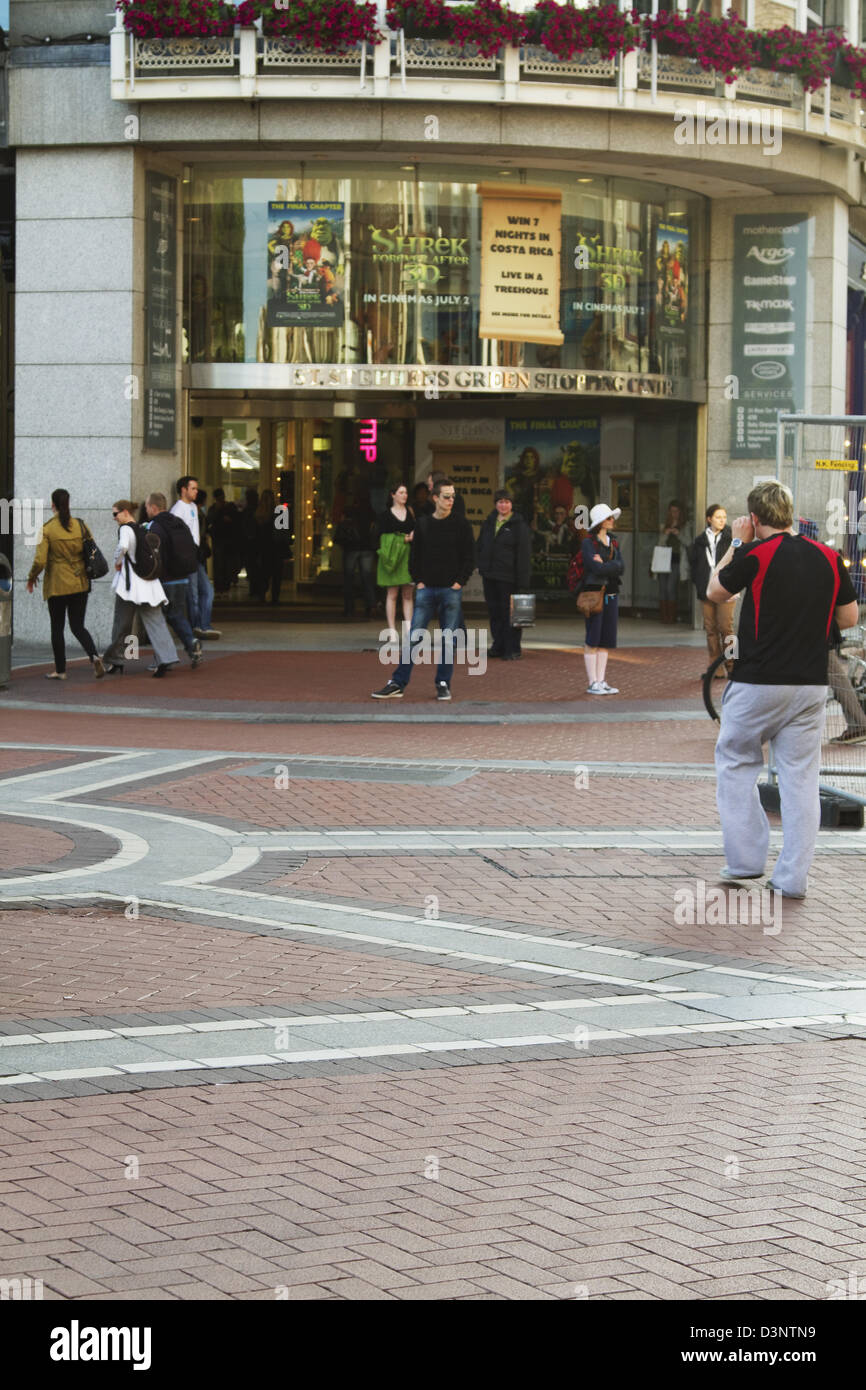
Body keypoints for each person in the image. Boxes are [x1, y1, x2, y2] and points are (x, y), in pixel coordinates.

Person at [707, 480, 860, 899]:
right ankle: (793, 878)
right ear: (789, 514)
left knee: (737, 763)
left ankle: (745, 860)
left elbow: (714, 590)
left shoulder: (755, 553)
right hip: (810, 684)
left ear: (754, 519)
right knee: (800, 779)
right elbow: (848, 618)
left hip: (758, 682)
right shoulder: (828, 557)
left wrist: (735, 544)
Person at [371, 476, 475, 701]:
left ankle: (443, 683)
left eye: (453, 497)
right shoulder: (424, 524)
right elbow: (414, 556)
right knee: (413, 638)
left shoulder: (461, 524)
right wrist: (419, 580)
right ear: (435, 498)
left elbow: (469, 556)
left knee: (449, 639)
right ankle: (398, 682)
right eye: (447, 496)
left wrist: (459, 582)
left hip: (450, 589)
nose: (451, 500)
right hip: (427, 589)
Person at [26, 488, 104, 680]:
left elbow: (40, 561)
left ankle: (60, 671)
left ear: (52, 505)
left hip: (57, 584)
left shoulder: (47, 529)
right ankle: (94, 655)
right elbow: (91, 549)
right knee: (78, 626)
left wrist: (32, 577)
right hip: (80, 582)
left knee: (57, 628)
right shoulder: (80, 525)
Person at [101, 501, 179, 678]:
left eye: (115, 514)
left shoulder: (125, 529)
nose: (114, 518)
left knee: (122, 624)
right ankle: (166, 658)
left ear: (125, 512)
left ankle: (115, 661)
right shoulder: (142, 528)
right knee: (156, 622)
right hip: (149, 584)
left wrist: (117, 562)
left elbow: (123, 547)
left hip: (129, 586)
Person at [144, 493, 203, 668]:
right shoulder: (178, 523)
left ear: (154, 508)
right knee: (175, 614)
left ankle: (163, 659)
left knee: (158, 620)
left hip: (166, 579)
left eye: (147, 507)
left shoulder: (155, 526)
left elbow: (153, 554)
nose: (146, 510)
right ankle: (191, 643)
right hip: (182, 577)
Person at [477, 489, 532, 661]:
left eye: (507, 501)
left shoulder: (519, 526)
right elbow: (480, 545)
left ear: (512, 504)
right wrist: (481, 565)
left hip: (510, 577)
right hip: (490, 575)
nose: (503, 505)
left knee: (511, 614)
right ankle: (498, 645)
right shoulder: (489, 522)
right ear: (495, 504)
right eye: (500, 501)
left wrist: (523, 581)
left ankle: (513, 648)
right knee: (495, 613)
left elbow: (524, 554)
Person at [580, 503, 624, 696]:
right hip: (594, 594)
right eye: (609, 518)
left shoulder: (613, 541)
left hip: (611, 593)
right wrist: (611, 565)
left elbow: (621, 566)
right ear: (600, 522)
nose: (612, 520)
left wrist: (605, 563)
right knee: (593, 637)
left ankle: (601, 680)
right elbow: (594, 567)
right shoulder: (588, 543)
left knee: (606, 639)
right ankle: (592, 682)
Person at [171, 475, 220, 641]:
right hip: (187, 557)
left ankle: (203, 624)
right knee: (193, 593)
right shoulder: (177, 510)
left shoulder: (193, 506)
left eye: (196, 488)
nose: (196, 491)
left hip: (195, 556)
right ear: (183, 490)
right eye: (193, 488)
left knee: (207, 591)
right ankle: (197, 626)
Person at [688, 503, 734, 679]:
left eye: (724, 517)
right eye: (718, 517)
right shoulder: (700, 540)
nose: (722, 520)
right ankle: (715, 666)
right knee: (710, 629)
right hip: (706, 590)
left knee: (726, 628)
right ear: (709, 519)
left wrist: (734, 584)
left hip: (726, 589)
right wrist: (699, 583)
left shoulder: (731, 537)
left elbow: (738, 560)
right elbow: (694, 564)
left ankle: (733, 665)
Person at [376, 484, 414, 636]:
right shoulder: (385, 516)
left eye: (406, 492)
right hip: (392, 558)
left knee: (408, 595)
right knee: (392, 594)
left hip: (407, 557)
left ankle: (409, 630)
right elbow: (381, 538)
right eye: (401, 492)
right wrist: (403, 538)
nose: (404, 495)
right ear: (393, 495)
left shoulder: (410, 513)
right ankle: (392, 630)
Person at [656, 499, 691, 623]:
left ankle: (671, 617)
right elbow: (659, 543)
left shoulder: (685, 525)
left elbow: (688, 542)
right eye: (671, 511)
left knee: (671, 587)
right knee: (662, 588)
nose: (673, 514)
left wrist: (678, 534)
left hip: (677, 560)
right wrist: (665, 533)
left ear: (680, 512)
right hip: (663, 559)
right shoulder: (664, 524)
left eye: (676, 511)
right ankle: (663, 617)